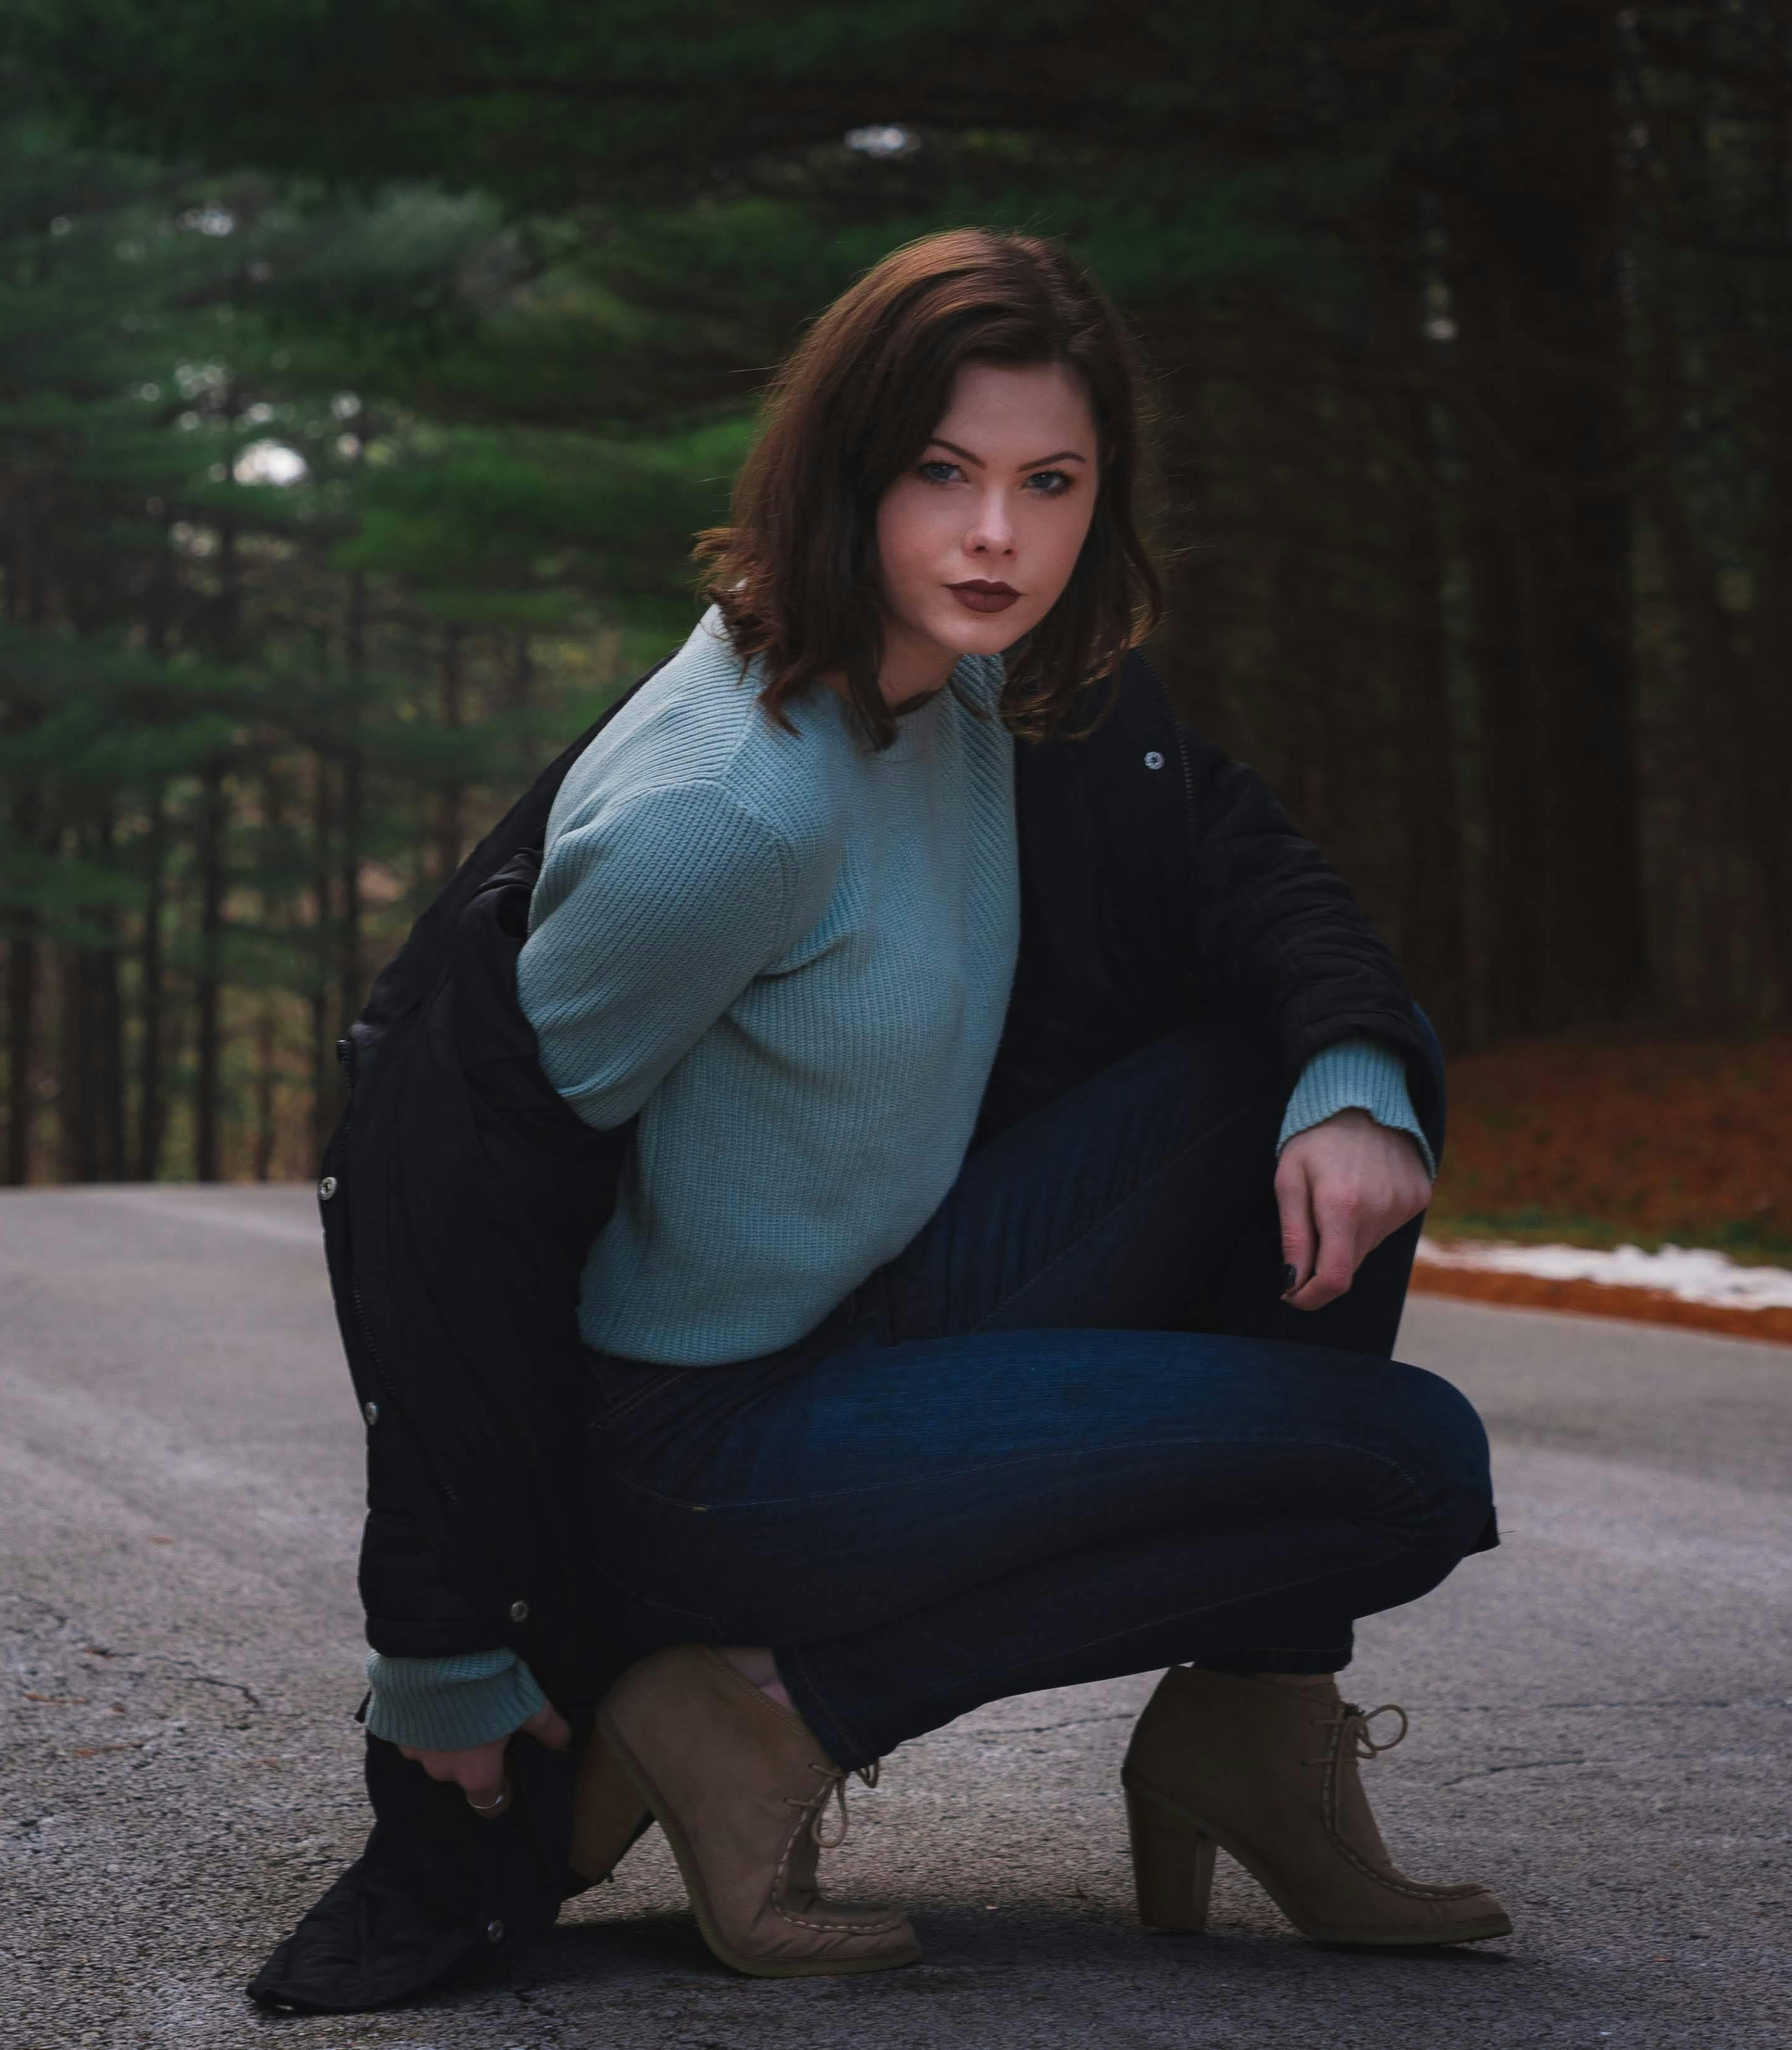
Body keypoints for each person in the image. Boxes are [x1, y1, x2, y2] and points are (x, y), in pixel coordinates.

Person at [360, 228, 1508, 1978]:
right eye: (941, 474)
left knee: (1313, 1068)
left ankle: (1251, 1730)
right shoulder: (725, 813)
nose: (997, 538)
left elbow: (1226, 848)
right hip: (696, 1449)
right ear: (845, 471)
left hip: (874, 1308)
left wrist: (1354, 1079)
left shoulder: (978, 678)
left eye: (1050, 482)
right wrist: (441, 1636)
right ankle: (763, 1717)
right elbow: (451, 1196)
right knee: (1408, 1472)